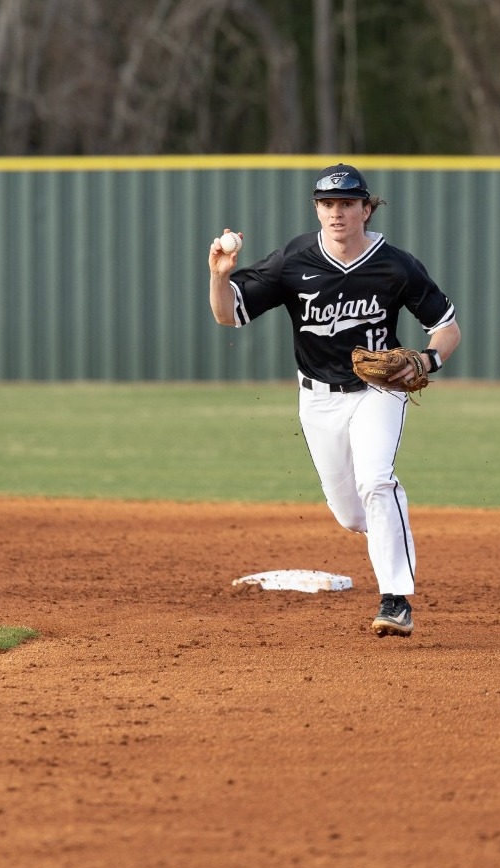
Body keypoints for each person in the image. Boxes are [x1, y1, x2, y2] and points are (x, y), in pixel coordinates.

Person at [208, 163, 461, 637]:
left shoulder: (395, 264)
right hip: (318, 399)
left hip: (378, 391)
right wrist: (219, 276)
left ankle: (395, 600)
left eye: (347, 203)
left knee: (376, 480)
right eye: (327, 203)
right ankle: (391, 530)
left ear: (367, 208)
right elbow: (229, 316)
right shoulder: (293, 259)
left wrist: (427, 361)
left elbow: (446, 327)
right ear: (317, 210)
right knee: (351, 513)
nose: (337, 212)